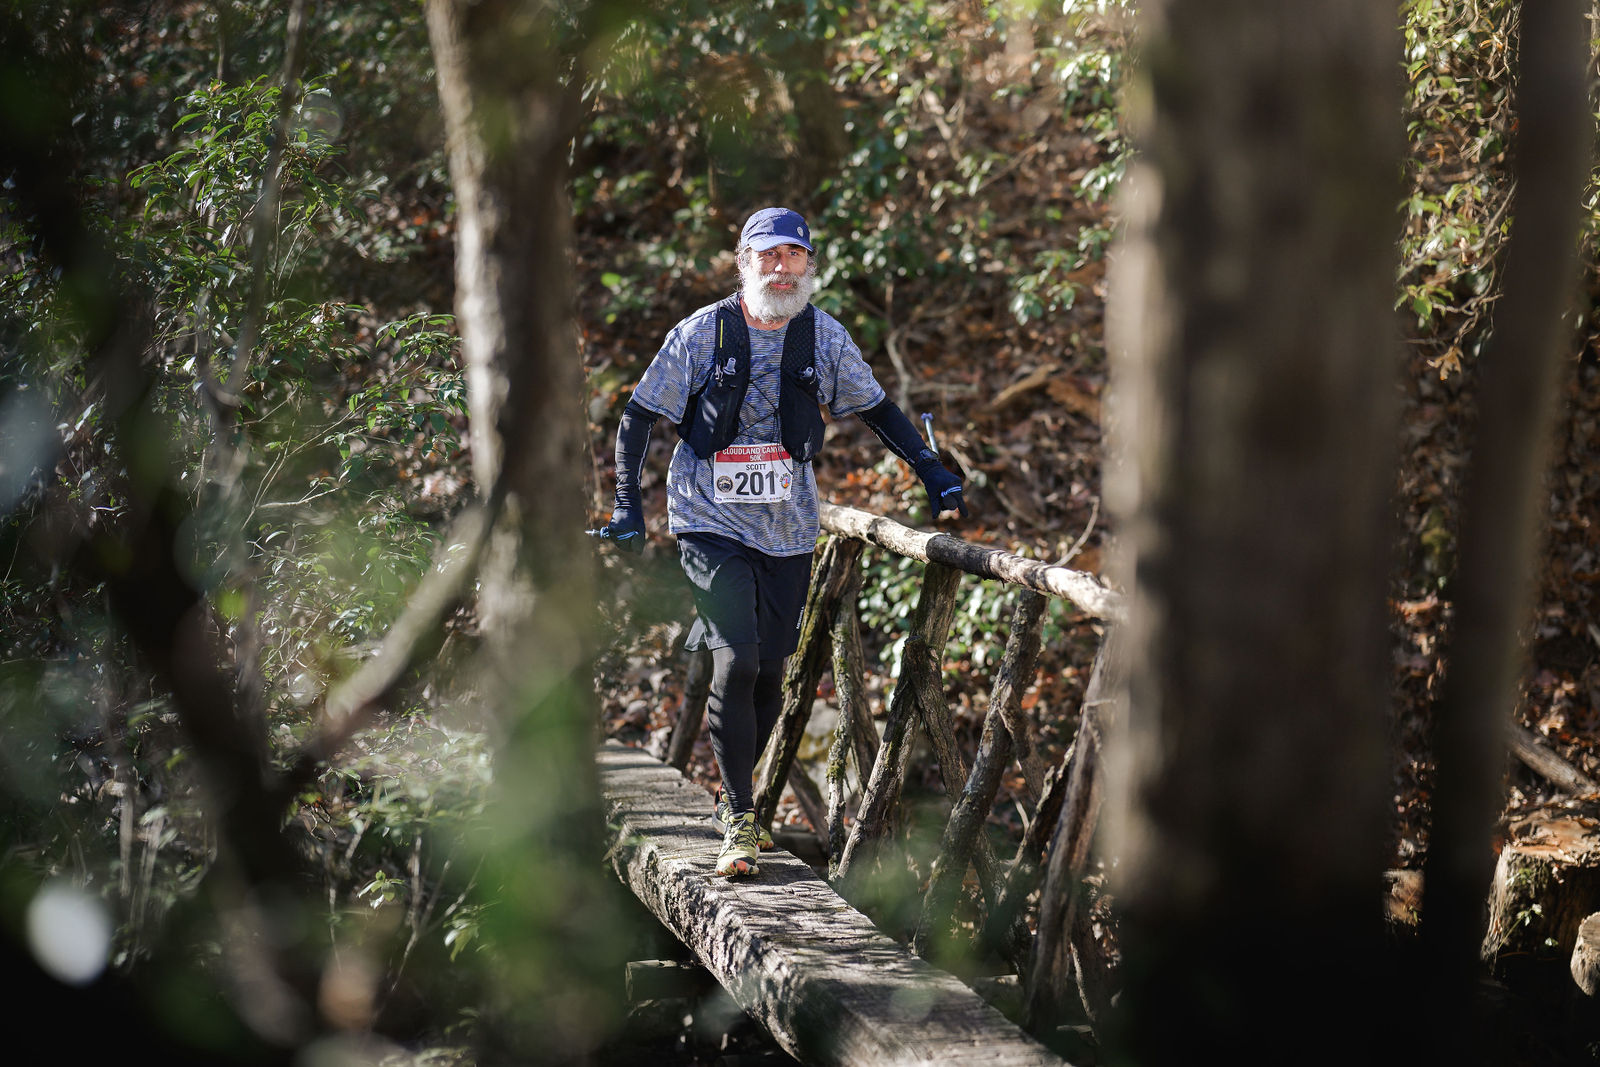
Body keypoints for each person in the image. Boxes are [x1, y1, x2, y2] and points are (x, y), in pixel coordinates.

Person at [605, 206, 968, 878]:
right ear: (743, 261)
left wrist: (932, 471)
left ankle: (738, 800)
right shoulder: (701, 333)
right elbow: (639, 414)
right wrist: (628, 504)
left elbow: (878, 409)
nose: (781, 267)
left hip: (789, 527)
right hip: (707, 518)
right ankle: (740, 816)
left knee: (771, 671)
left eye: (793, 256)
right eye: (767, 255)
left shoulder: (821, 336)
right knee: (736, 660)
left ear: (809, 264)